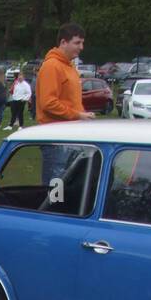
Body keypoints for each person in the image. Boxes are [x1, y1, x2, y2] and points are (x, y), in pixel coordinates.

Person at [36, 24, 94, 184]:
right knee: (56, 190)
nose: (81, 47)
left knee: (70, 188)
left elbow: (72, 102)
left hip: (71, 137)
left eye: (82, 43)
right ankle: (51, 209)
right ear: (63, 42)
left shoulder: (70, 67)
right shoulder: (52, 66)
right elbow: (48, 102)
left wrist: (83, 116)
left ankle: (60, 208)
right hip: (55, 140)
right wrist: (78, 115)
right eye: (77, 43)